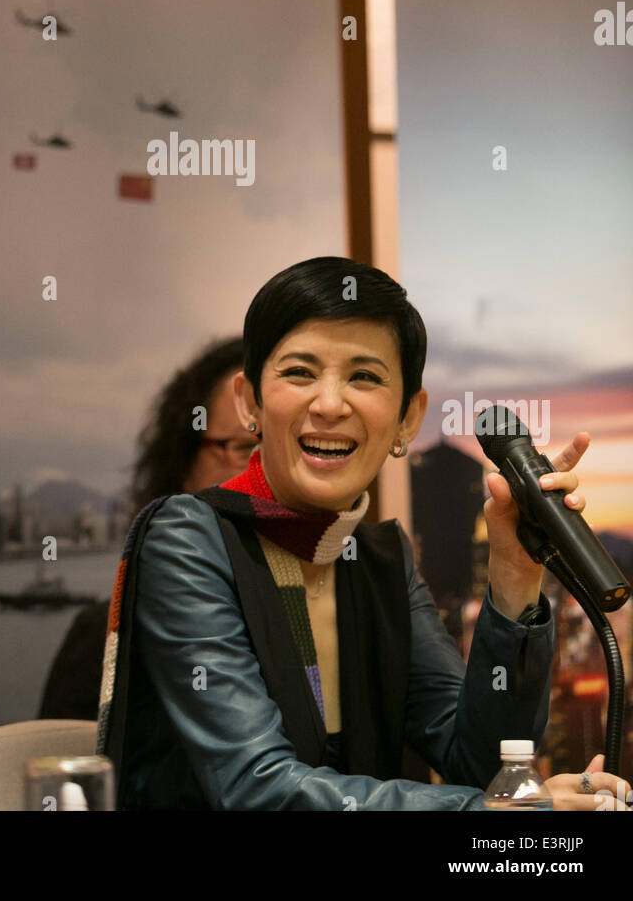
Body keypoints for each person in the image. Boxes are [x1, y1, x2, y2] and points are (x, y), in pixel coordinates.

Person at [97, 256, 632, 811]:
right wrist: (495, 815)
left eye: (365, 377)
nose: (330, 404)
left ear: (408, 417)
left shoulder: (379, 559)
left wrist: (515, 575)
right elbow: (255, 787)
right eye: (300, 372)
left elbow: (483, 763)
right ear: (250, 401)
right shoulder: (187, 538)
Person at [38, 335, 249, 720]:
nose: (268, 472)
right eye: (244, 446)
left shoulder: (351, 622)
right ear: (183, 466)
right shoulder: (113, 642)